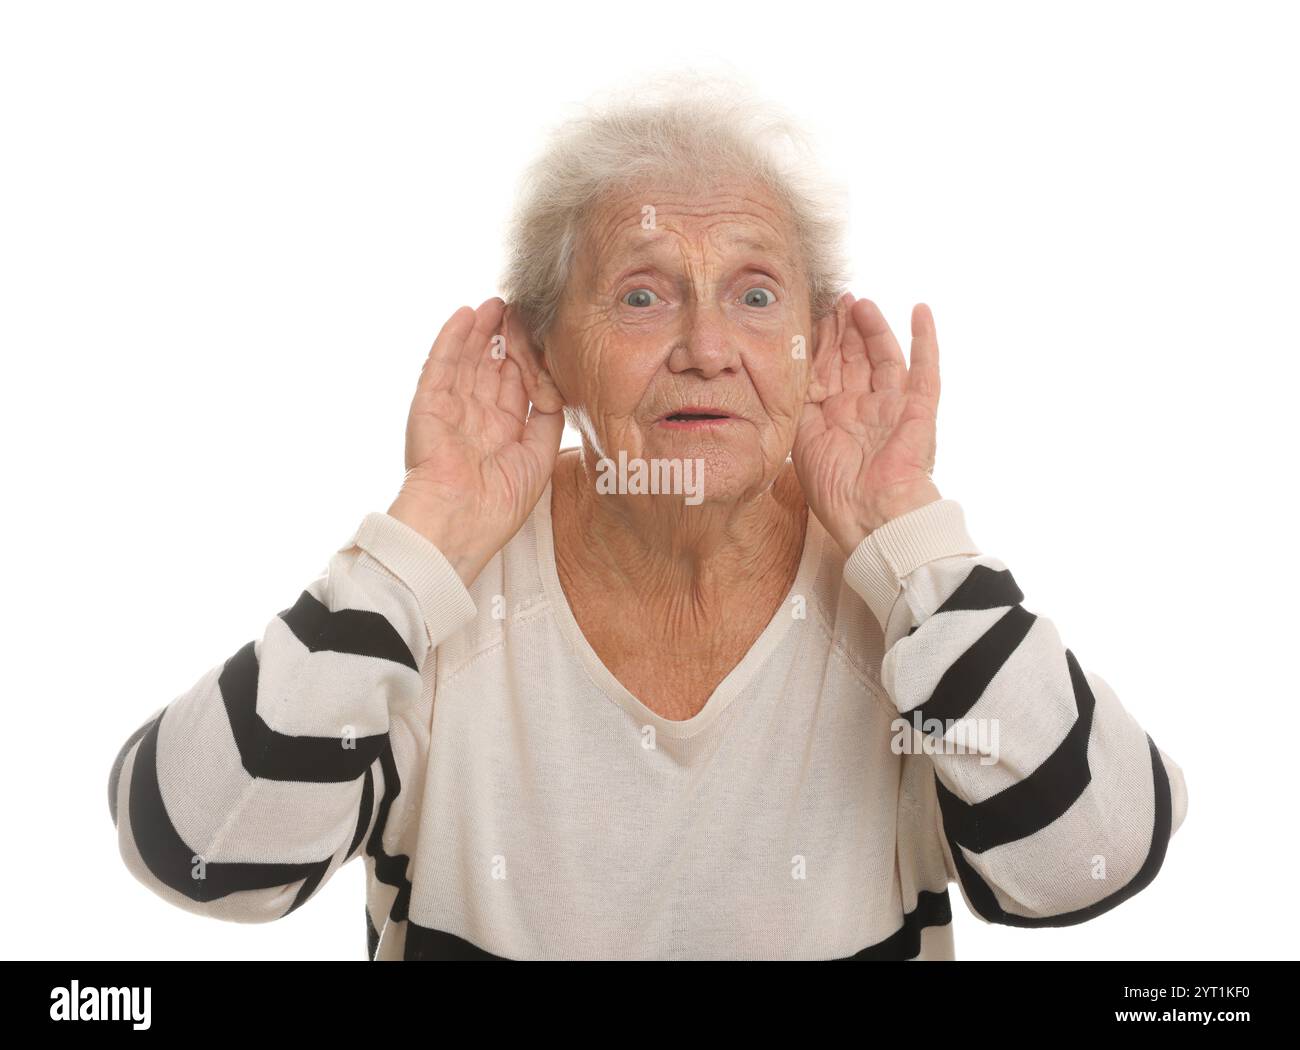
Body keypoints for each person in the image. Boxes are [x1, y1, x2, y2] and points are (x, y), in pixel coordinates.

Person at [107, 75, 1188, 960]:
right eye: (640, 294)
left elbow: (1091, 865)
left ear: (818, 354)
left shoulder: (907, 613)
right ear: (545, 355)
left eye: (757, 295)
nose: (707, 348)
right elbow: (200, 854)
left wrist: (907, 536)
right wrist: (420, 538)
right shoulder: (439, 606)